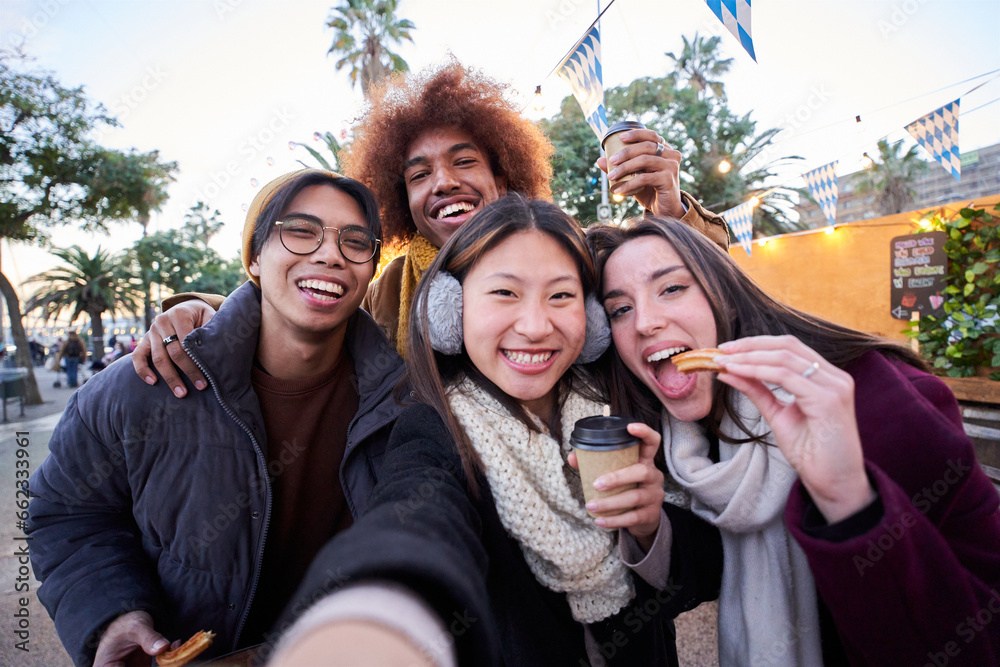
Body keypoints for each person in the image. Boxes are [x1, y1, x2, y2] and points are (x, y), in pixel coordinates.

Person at [266, 195, 722, 667]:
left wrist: (651, 528)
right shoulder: (434, 429)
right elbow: (414, 520)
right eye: (505, 293)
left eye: (561, 296)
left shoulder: (626, 404)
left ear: (591, 315)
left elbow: (707, 573)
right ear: (451, 309)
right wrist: (376, 618)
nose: (535, 326)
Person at [130, 59, 729, 395]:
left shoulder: (570, 254)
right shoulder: (385, 291)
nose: (442, 182)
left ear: (505, 173)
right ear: (401, 198)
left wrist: (670, 209)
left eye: (464, 162)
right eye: (419, 174)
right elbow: (298, 306)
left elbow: (700, 287)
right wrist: (200, 310)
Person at [27, 169, 407, 666]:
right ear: (253, 256)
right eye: (299, 230)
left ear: (371, 270)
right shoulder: (142, 383)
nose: (330, 254)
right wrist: (113, 613)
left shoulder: (404, 401)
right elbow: (68, 515)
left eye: (355, 241)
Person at [587, 216, 1000, 666]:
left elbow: (973, 636)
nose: (645, 322)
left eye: (672, 288)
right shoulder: (685, 436)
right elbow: (718, 563)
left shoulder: (883, 402)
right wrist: (650, 526)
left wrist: (849, 502)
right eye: (620, 309)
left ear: (724, 295)